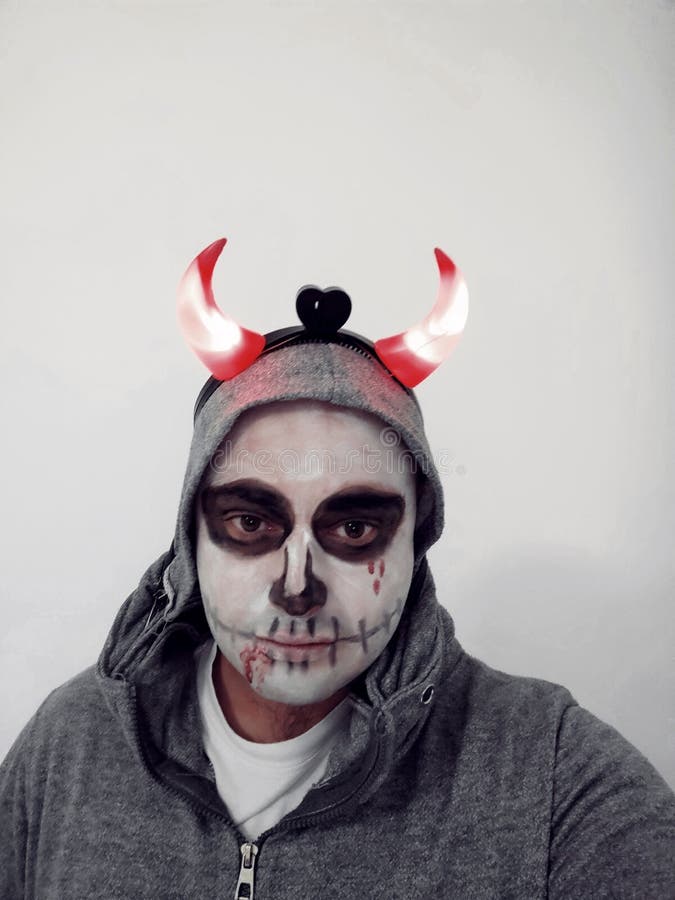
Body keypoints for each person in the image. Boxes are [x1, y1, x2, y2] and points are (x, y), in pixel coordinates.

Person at [1, 239, 673, 899]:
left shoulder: (552, 774)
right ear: (189, 541)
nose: (296, 587)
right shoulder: (71, 744)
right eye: (250, 522)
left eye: (353, 528)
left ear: (416, 540)